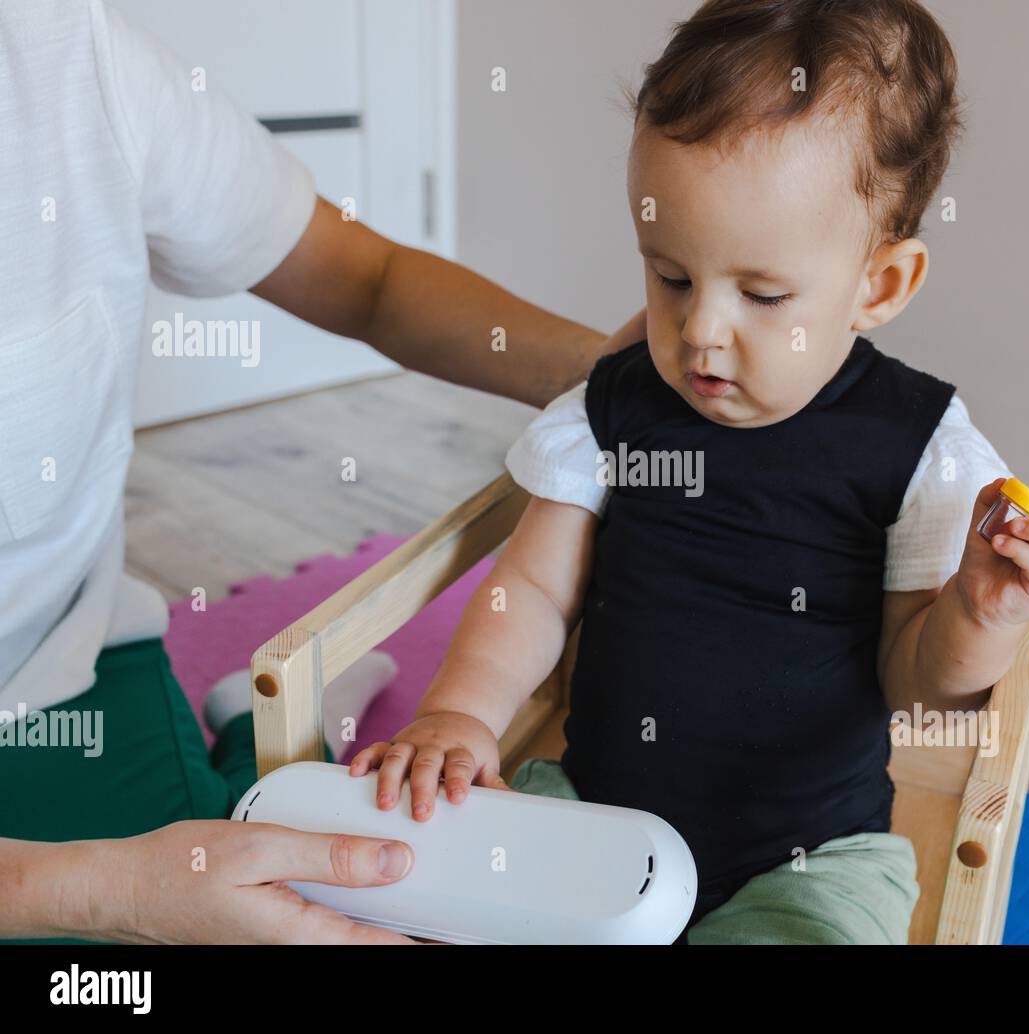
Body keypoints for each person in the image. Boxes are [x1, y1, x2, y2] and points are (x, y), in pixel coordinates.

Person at [353, 0, 1029, 944]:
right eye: (670, 277)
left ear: (880, 285)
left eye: (762, 293)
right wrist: (458, 714)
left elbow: (919, 690)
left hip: (813, 857)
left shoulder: (919, 446)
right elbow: (533, 590)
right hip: (592, 812)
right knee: (431, 901)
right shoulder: (612, 409)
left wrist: (980, 614)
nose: (701, 329)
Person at [0, 0, 644, 944]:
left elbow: (364, 277)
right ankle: (257, 761)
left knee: (264, 905)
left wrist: (633, 384)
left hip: (55, 673)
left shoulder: (69, 55)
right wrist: (98, 889)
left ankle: (257, 761)